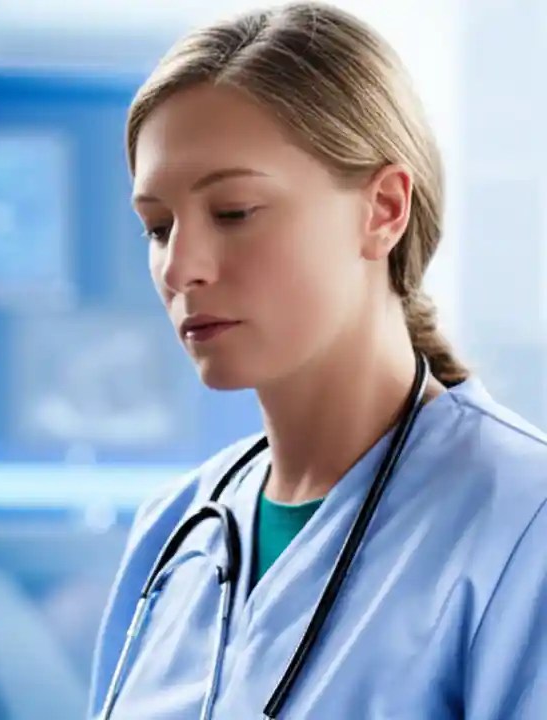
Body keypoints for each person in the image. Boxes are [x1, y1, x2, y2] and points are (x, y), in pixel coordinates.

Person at [89, 3, 547, 718]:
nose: (180, 267)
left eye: (233, 211)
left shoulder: (524, 522)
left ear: (384, 209)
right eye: (158, 226)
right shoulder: (174, 530)